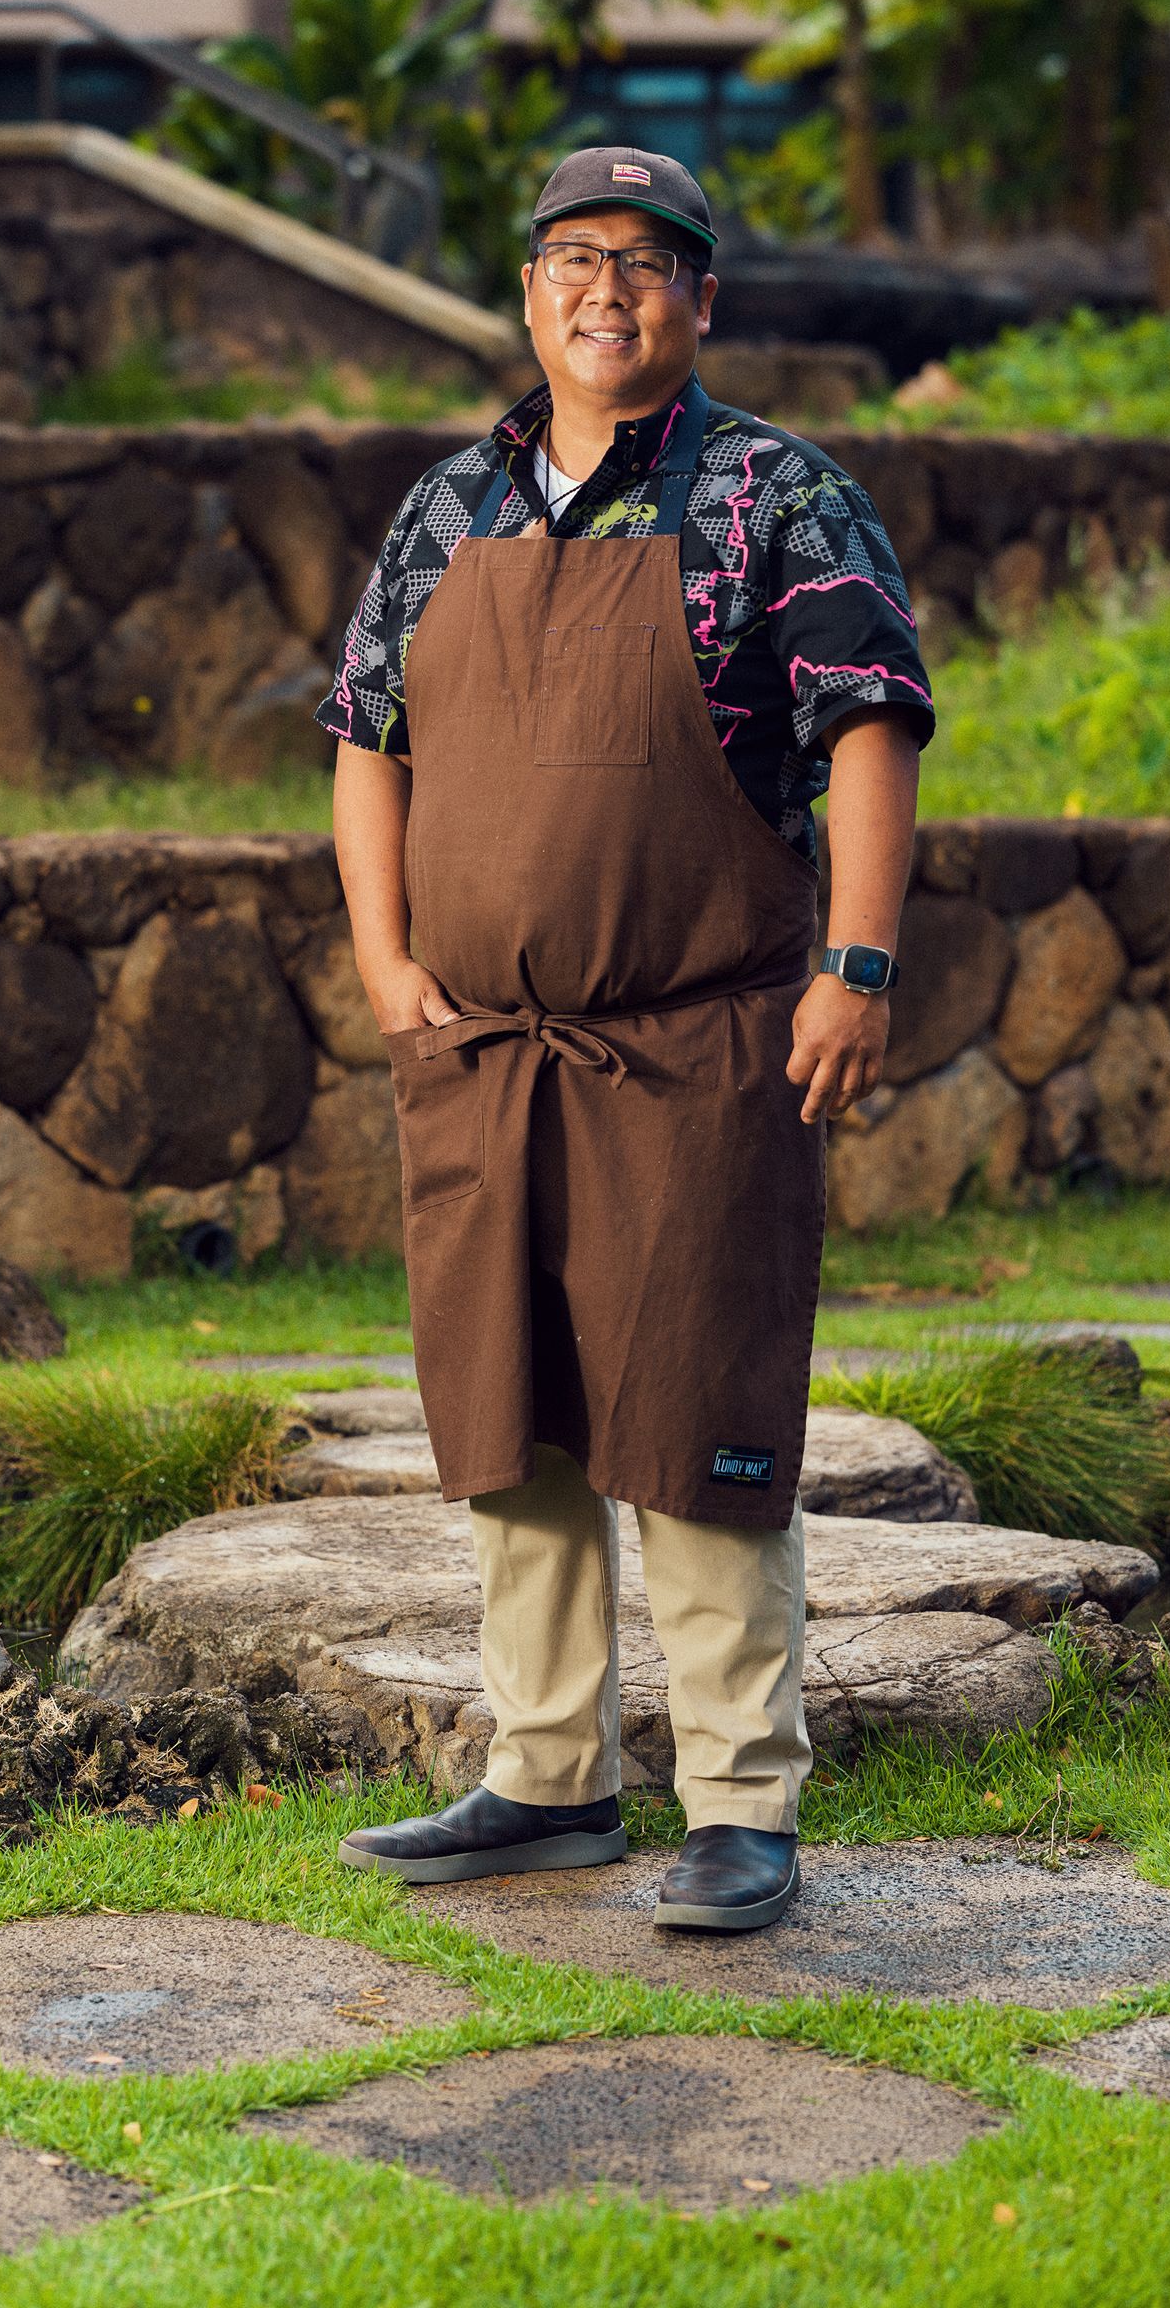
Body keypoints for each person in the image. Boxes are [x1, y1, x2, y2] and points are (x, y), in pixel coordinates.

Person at [318, 145, 931, 1934]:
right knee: (514, 1421)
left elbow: (871, 733)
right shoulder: (448, 508)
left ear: (700, 300)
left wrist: (859, 966)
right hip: (485, 1043)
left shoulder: (776, 500)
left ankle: (742, 1803)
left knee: (699, 1422)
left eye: (648, 262)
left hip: (707, 1039)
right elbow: (369, 737)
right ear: (529, 294)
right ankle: (545, 1776)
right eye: (575, 259)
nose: (608, 291)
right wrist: (383, 961)